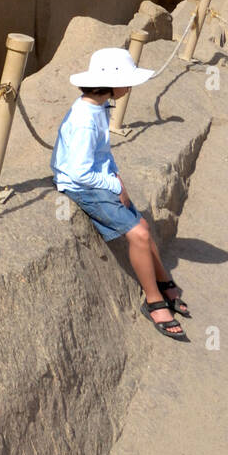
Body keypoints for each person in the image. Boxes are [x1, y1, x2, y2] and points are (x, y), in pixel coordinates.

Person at [51, 48, 188, 341]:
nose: (130, 87)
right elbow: (78, 173)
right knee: (138, 233)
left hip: (100, 177)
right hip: (81, 186)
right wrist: (115, 186)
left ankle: (164, 280)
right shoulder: (86, 119)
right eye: (126, 81)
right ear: (110, 84)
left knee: (143, 227)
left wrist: (117, 177)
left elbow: (102, 153)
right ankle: (153, 301)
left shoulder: (97, 107)